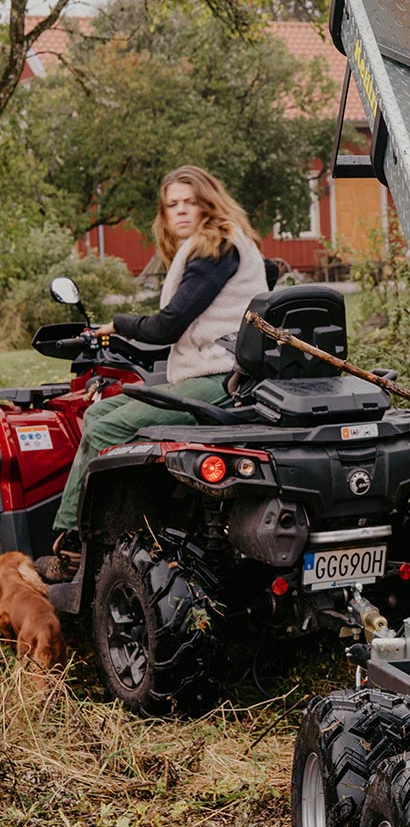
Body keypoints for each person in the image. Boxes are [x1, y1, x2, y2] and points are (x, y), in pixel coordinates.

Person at [37, 166, 268, 583]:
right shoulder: (220, 245)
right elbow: (193, 322)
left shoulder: (214, 247)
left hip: (221, 377)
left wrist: (120, 324)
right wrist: (124, 332)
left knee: (110, 429)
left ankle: (84, 543)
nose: (180, 211)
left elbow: (168, 325)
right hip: (214, 369)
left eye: (189, 202)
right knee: (97, 416)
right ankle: (73, 537)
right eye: (171, 204)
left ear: (207, 203)